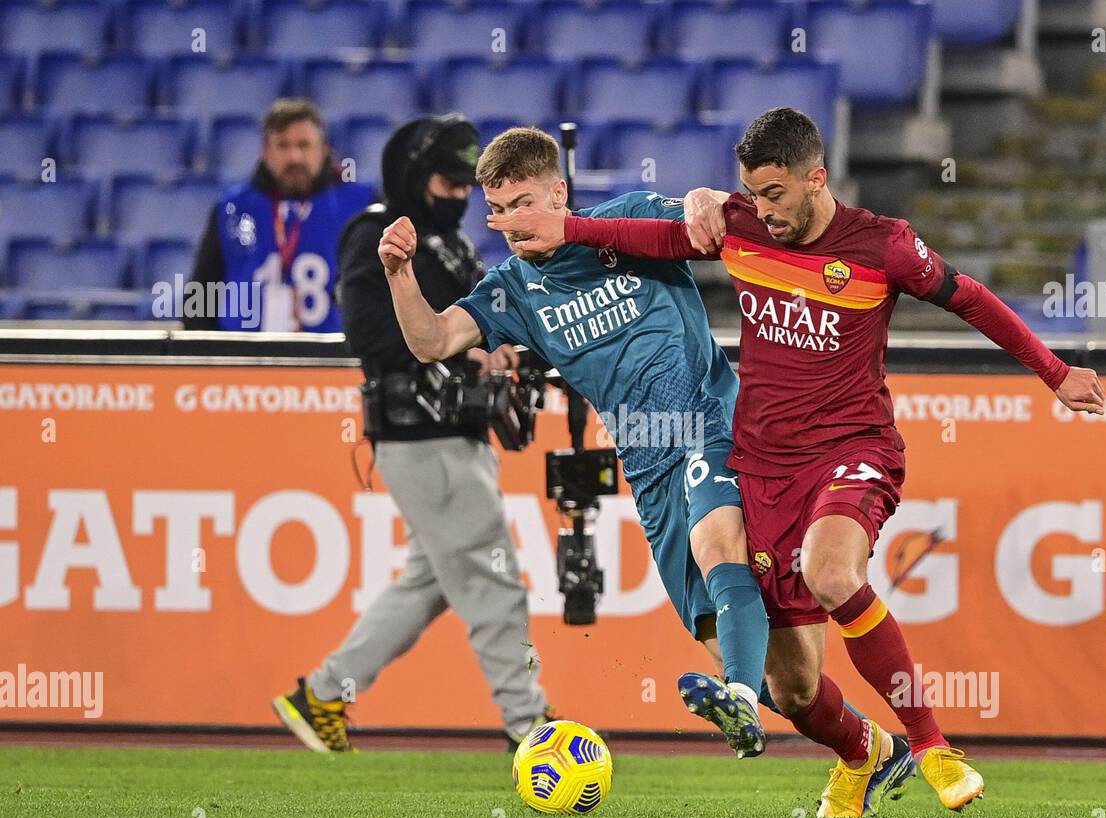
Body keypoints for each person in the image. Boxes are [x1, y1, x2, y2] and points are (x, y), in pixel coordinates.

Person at [493, 107, 1106, 818]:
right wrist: (566, 229)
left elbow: (969, 298)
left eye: (775, 194)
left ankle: (933, 745)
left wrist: (1055, 371)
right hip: (764, 470)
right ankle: (863, 755)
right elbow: (651, 236)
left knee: (831, 571)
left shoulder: (884, 246)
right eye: (752, 194)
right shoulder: (746, 228)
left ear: (817, 179)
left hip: (852, 448)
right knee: (793, 686)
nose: (763, 210)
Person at [375, 126, 789, 762]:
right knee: (771, 674)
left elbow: (717, 226)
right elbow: (432, 341)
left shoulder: (629, 220)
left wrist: (705, 197)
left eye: (524, 204)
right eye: (498, 209)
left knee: (717, 544)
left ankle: (736, 694)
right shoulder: (513, 290)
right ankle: (867, 745)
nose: (512, 223)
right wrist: (400, 275)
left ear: (559, 193)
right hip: (646, 464)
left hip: (710, 425)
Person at [272, 115, 551, 753]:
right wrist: (461, 352)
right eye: (445, 180)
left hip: (455, 432)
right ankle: (530, 726)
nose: (457, 194)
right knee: (493, 579)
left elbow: (483, 323)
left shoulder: (450, 244)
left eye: (464, 183)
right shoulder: (377, 233)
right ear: (412, 173)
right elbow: (367, 333)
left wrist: (501, 348)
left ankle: (322, 695)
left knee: (428, 583)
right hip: (420, 432)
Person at [187, 98, 374, 332]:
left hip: (332, 352)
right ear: (265, 152)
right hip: (244, 352)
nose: (294, 157)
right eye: (283, 145)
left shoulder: (360, 204)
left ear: (324, 149)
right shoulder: (232, 208)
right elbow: (201, 294)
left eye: (304, 145)